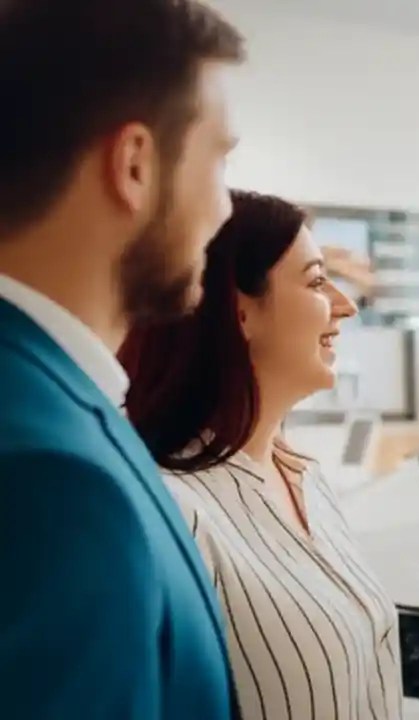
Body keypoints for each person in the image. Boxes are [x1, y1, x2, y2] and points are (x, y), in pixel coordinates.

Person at [0, 1, 244, 717]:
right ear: (134, 163)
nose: (226, 208)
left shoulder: (48, 401)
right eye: (219, 159)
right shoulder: (51, 477)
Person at [118, 190, 403, 720]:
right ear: (238, 311)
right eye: (317, 281)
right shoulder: (176, 510)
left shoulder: (306, 480)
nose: (346, 305)